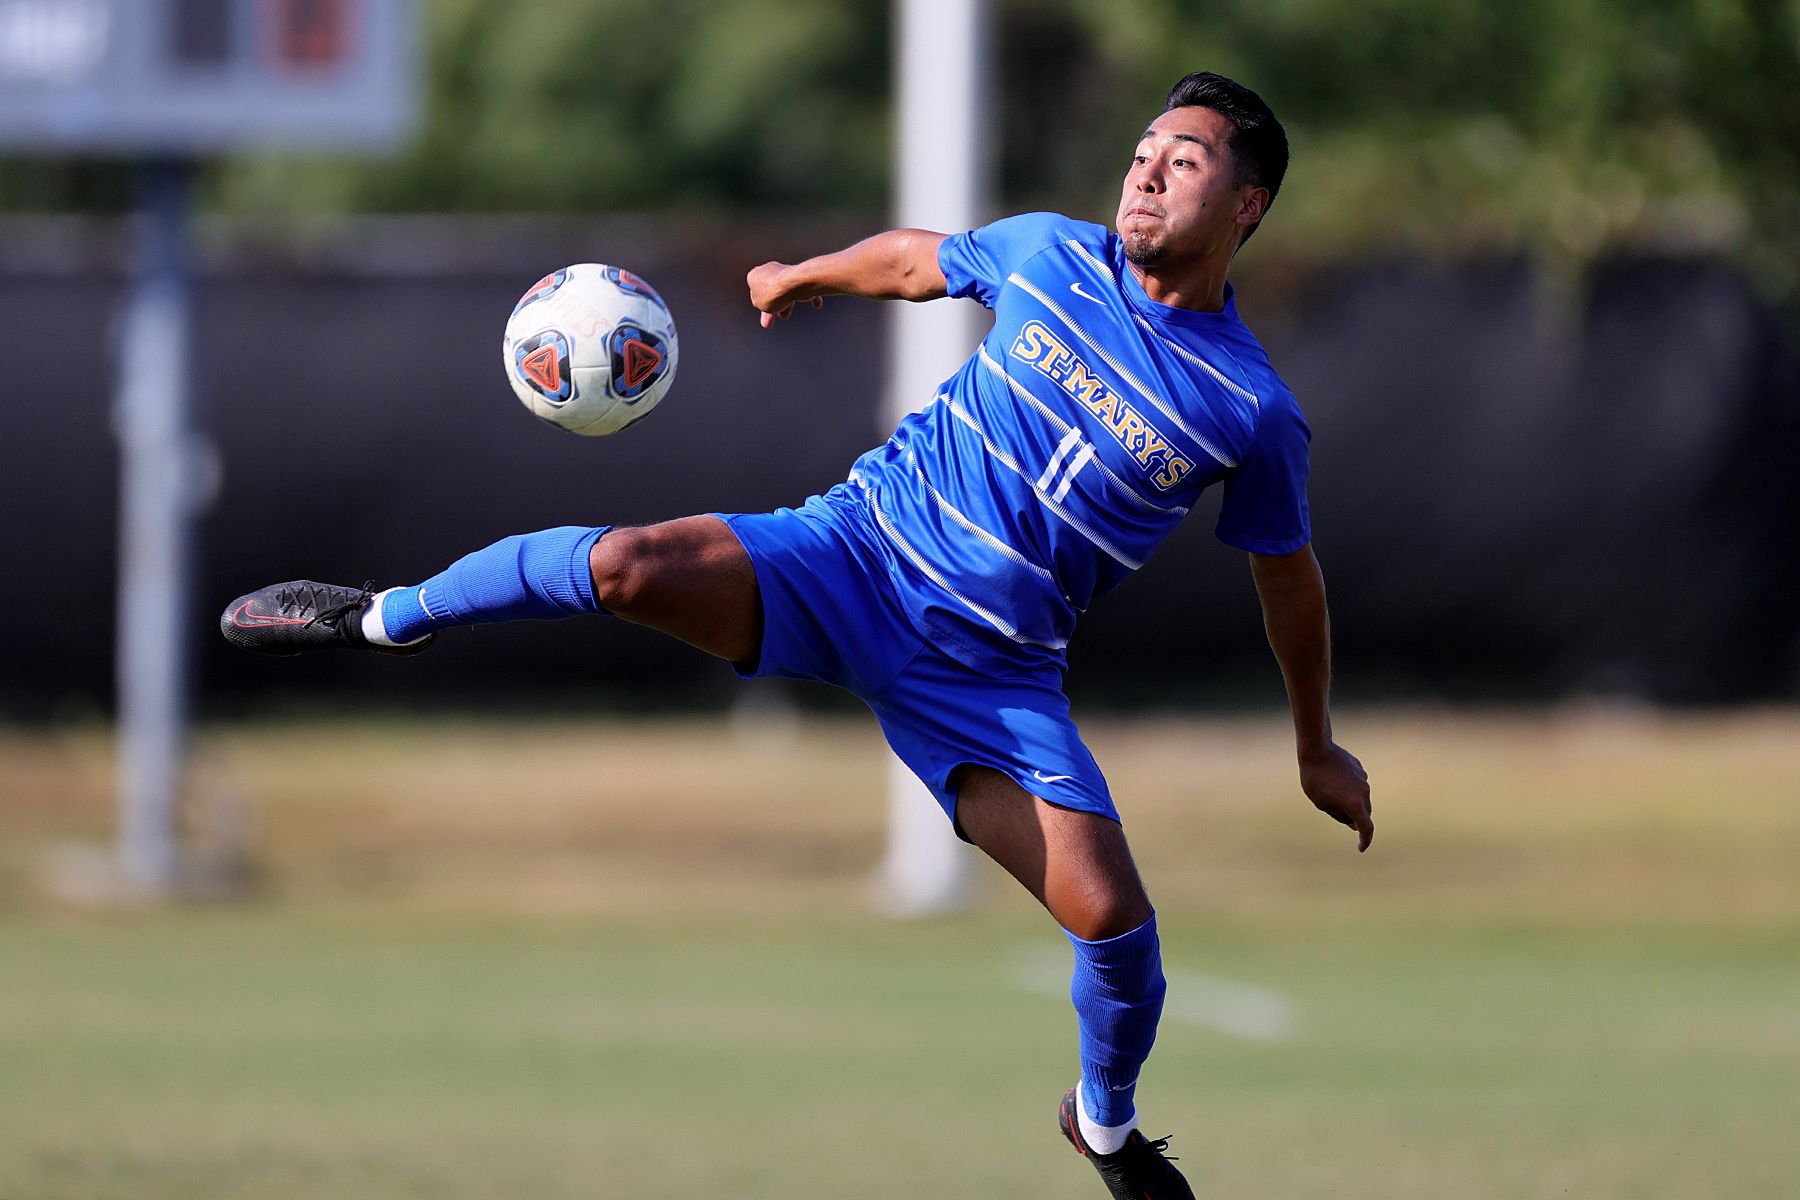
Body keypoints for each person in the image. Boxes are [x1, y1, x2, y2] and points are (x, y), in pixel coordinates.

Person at [221, 70, 1373, 1200]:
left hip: (990, 675)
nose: (1147, 175)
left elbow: (1291, 585)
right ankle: (377, 618)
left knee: (1115, 926)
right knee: (626, 567)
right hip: (851, 557)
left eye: (1184, 162)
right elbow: (923, 259)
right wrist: (803, 272)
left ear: (1247, 205)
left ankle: (1107, 1131)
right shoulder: (1054, 252)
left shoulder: (1253, 410)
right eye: (1141, 155)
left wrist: (1314, 746)